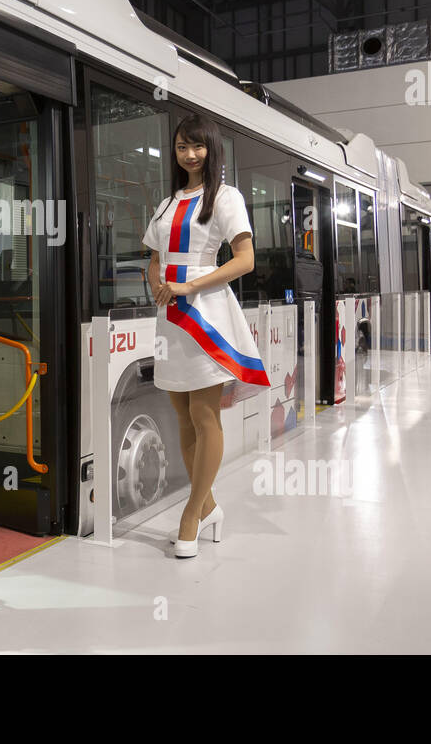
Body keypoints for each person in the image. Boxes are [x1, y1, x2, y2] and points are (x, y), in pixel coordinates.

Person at [142, 115, 270, 559]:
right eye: (181, 147)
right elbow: (154, 258)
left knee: (204, 413)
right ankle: (210, 505)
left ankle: (191, 515)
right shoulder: (165, 203)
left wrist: (190, 285)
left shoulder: (226, 197)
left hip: (206, 312)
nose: (190, 154)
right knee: (181, 414)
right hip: (170, 314)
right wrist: (156, 283)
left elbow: (246, 260)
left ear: (211, 150)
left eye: (197, 147)